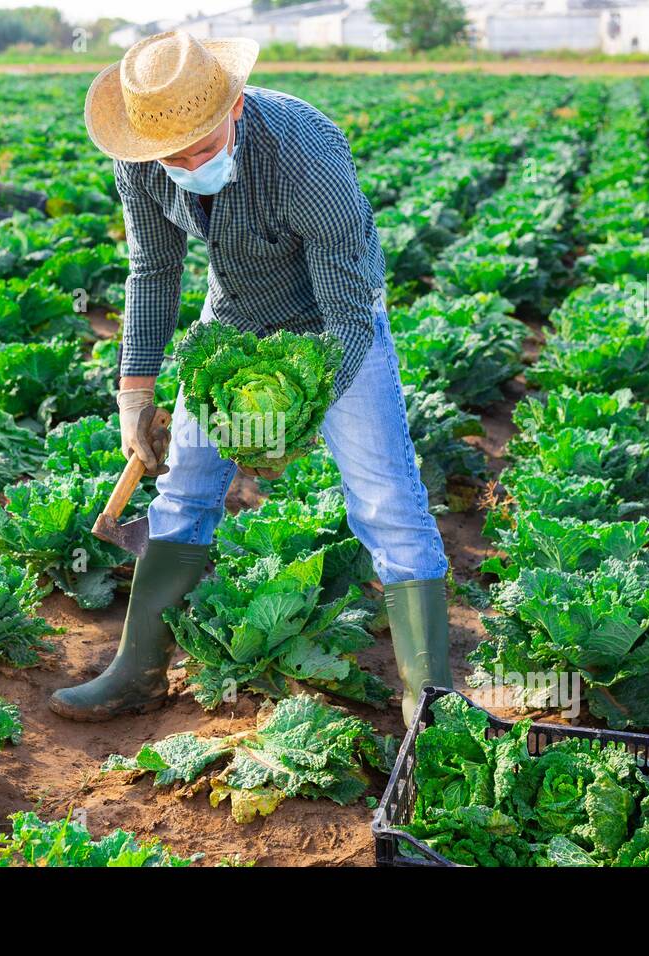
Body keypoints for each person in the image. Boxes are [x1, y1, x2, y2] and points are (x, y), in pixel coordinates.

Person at [49, 30, 450, 728]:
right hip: (232, 318)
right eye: (170, 157)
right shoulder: (143, 157)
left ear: (233, 106)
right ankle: (136, 673)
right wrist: (135, 391)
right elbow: (154, 269)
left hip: (332, 320)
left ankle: (431, 702)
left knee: (388, 503)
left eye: (199, 152)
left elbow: (350, 318)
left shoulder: (305, 159)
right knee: (183, 491)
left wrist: (293, 411)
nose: (183, 165)